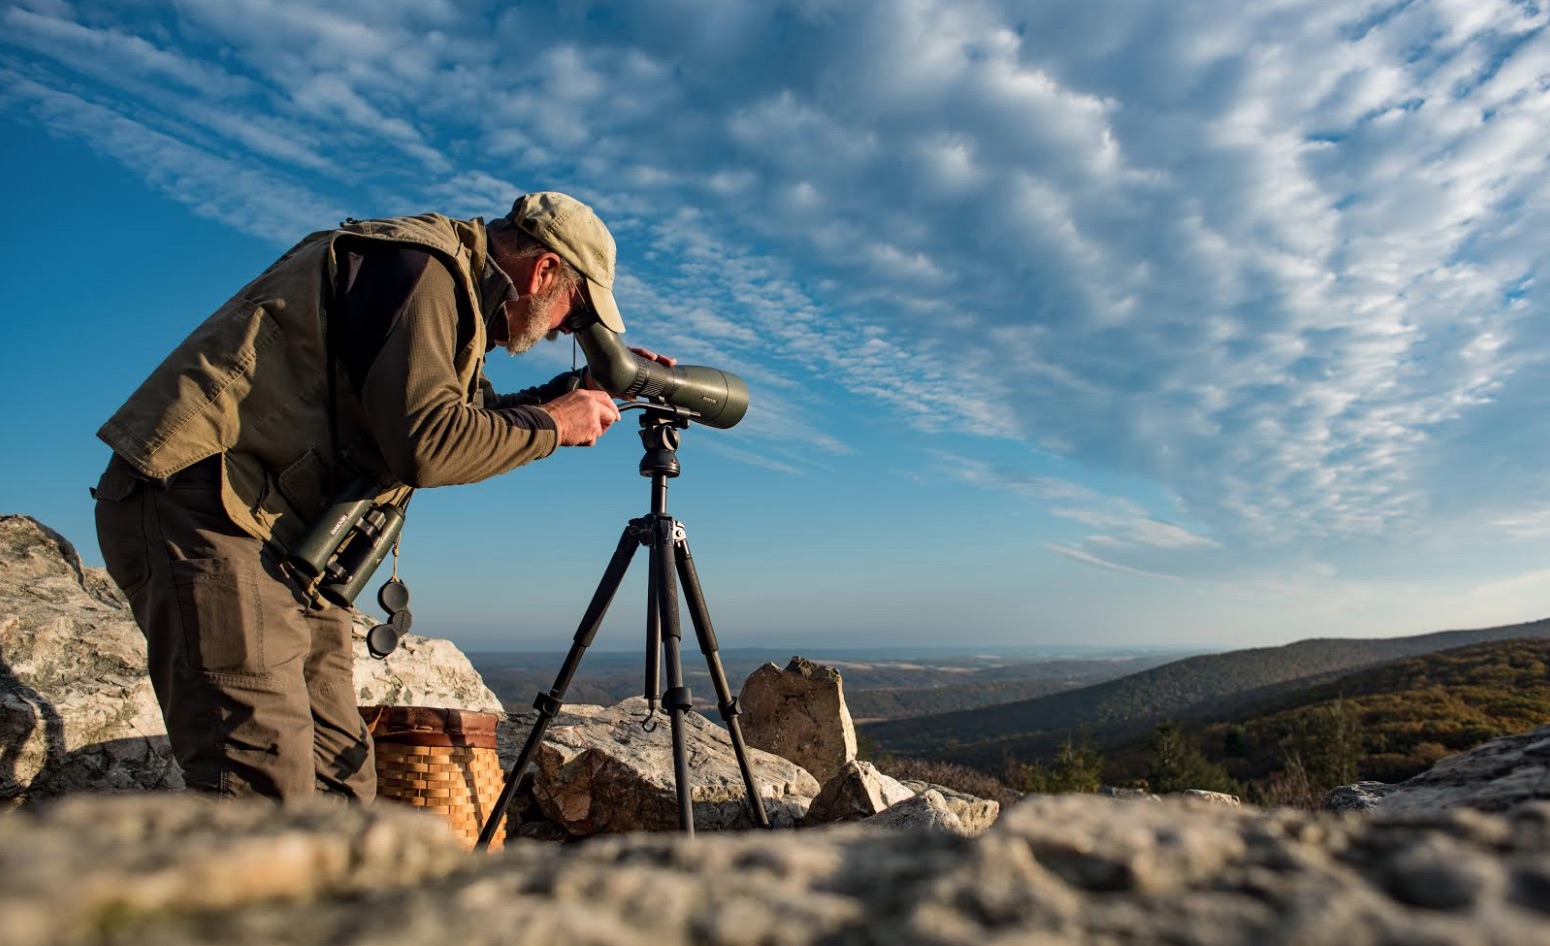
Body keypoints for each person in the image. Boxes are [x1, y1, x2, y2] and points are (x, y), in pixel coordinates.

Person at [92, 192, 671, 802]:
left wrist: (572, 389)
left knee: (340, 776)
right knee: (262, 782)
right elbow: (429, 444)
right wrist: (555, 424)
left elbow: (468, 415)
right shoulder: (422, 269)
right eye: (574, 313)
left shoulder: (450, 294)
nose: (560, 332)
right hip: (208, 509)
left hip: (282, 538)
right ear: (544, 270)